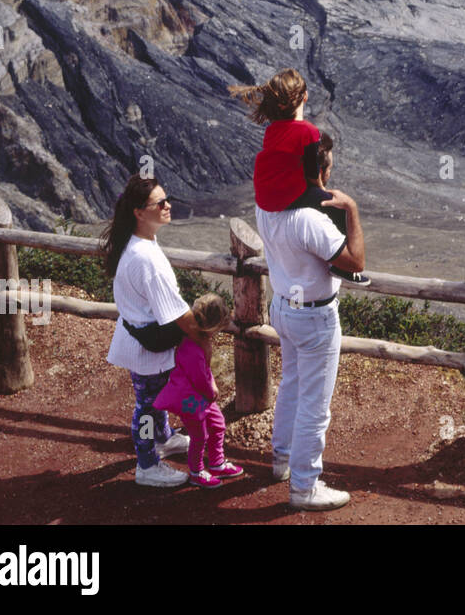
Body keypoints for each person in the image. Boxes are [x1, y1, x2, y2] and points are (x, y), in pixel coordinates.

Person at [255, 131, 368, 511]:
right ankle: (305, 486)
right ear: (323, 169)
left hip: (284, 308)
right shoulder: (309, 221)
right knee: (315, 405)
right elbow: (355, 262)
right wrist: (350, 209)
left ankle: (281, 460)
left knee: (291, 383)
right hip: (316, 317)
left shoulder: (266, 208)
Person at [103, 175, 201, 487]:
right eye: (160, 203)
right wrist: (202, 335)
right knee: (146, 407)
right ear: (139, 212)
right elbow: (173, 310)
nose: (168, 205)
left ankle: (164, 437)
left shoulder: (136, 244)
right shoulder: (146, 259)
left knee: (154, 397)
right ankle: (147, 464)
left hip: (137, 336)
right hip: (148, 343)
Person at [230, 69, 369, 287]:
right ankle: (341, 266)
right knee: (336, 205)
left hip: (265, 198)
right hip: (287, 198)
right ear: (305, 97)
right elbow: (313, 174)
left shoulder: (272, 130)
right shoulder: (309, 132)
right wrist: (324, 192)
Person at [152, 293, 245, 488]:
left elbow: (204, 372)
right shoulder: (192, 347)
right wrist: (211, 391)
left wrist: (211, 387)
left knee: (218, 424)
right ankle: (196, 471)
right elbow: (198, 378)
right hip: (190, 399)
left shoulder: (200, 341)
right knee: (199, 436)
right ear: (212, 326)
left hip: (201, 397)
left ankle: (217, 462)